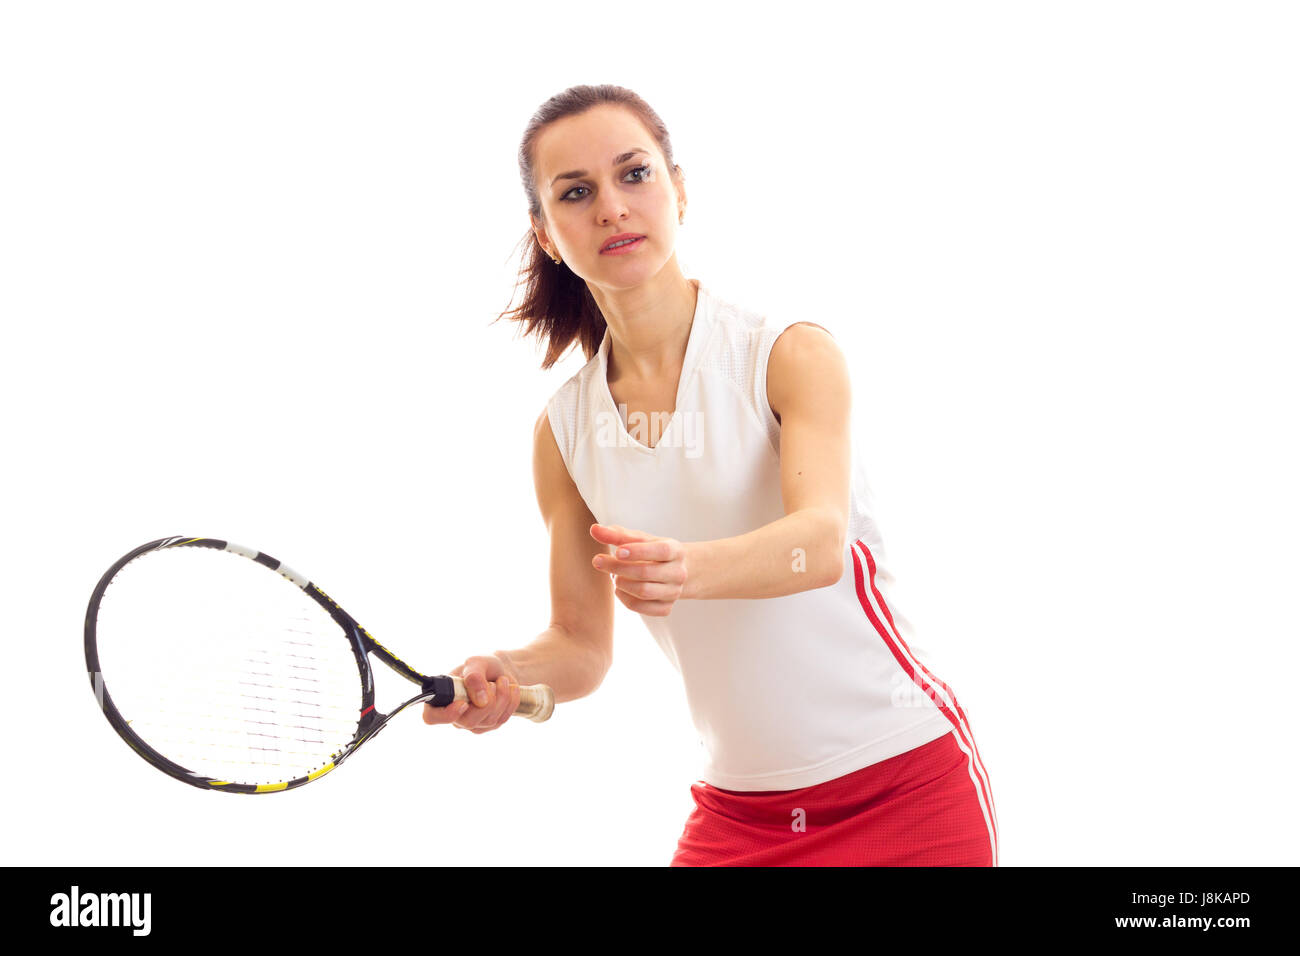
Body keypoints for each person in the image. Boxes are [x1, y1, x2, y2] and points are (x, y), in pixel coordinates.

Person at [423, 84, 999, 866]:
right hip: (742, 813)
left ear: (680, 190)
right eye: (576, 192)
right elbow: (583, 646)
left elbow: (819, 544)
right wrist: (508, 672)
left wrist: (686, 569)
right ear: (546, 234)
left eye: (634, 174)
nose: (612, 208)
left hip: (903, 786)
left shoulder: (786, 353)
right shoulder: (563, 434)